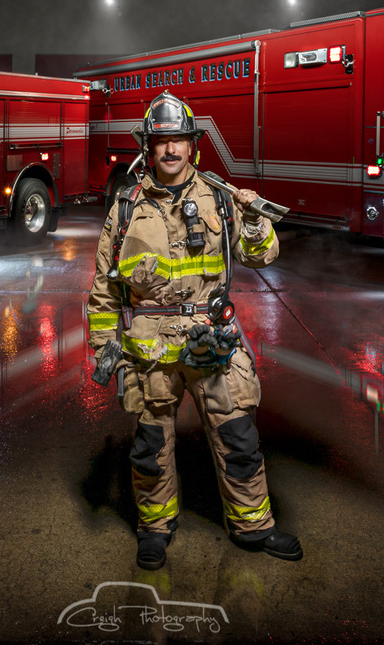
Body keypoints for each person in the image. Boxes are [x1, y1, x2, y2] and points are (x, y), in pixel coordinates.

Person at [86, 91, 302, 570]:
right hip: (150, 351)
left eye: (178, 140)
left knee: (239, 438)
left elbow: (261, 255)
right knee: (149, 448)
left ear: (192, 146)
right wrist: (107, 351)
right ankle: (154, 530)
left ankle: (253, 527)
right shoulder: (126, 208)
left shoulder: (222, 201)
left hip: (212, 341)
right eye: (161, 141)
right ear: (149, 146)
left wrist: (251, 221)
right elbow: (104, 288)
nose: (170, 150)